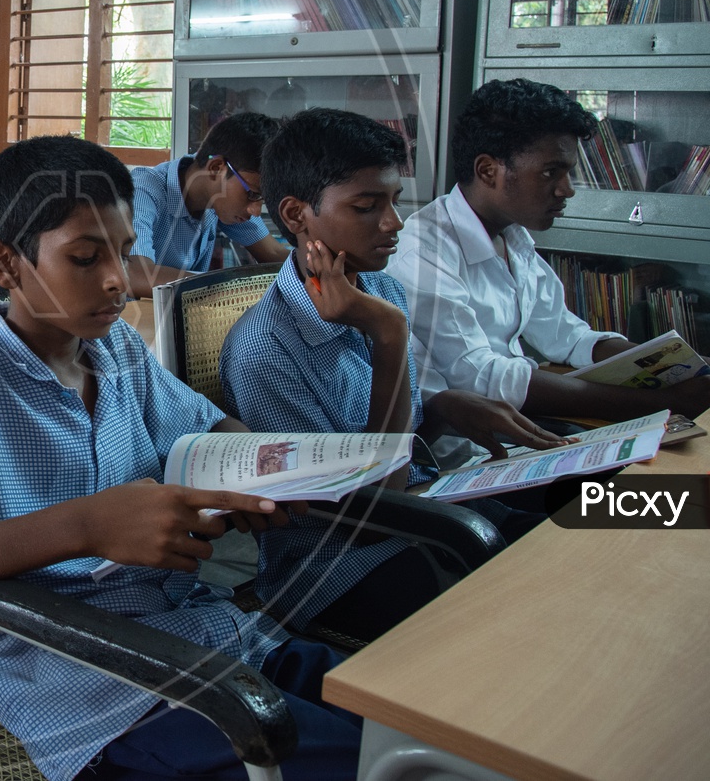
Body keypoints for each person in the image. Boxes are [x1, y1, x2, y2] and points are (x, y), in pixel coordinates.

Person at [0, 134, 361, 781]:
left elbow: (210, 424)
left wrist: (261, 469)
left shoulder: (114, 353)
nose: (117, 279)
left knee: (397, 719)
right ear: (3, 263)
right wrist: (86, 526)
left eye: (126, 252)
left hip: (205, 637)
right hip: (97, 693)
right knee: (363, 765)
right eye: (84, 257)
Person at [220, 109, 561, 642]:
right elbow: (375, 501)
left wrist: (445, 407)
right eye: (366, 206)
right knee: (531, 590)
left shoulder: (377, 291)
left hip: (424, 511)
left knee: (583, 515)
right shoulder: (265, 352)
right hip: (335, 566)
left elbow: (401, 440)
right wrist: (388, 338)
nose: (393, 223)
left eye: (394, 202)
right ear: (296, 214)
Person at [393, 79, 710, 423]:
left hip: (513, 426)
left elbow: (565, 334)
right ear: (488, 171)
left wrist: (677, 367)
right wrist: (664, 405)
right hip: (457, 451)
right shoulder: (423, 253)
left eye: (568, 172)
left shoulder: (512, 235)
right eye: (550, 172)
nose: (567, 190)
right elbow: (483, 378)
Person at [127, 112, 290, 298]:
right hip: (128, 320)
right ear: (216, 168)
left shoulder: (218, 197)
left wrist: (319, 273)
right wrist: (233, 290)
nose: (255, 211)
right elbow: (136, 275)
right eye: (252, 194)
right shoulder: (143, 191)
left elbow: (273, 252)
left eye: (262, 200)